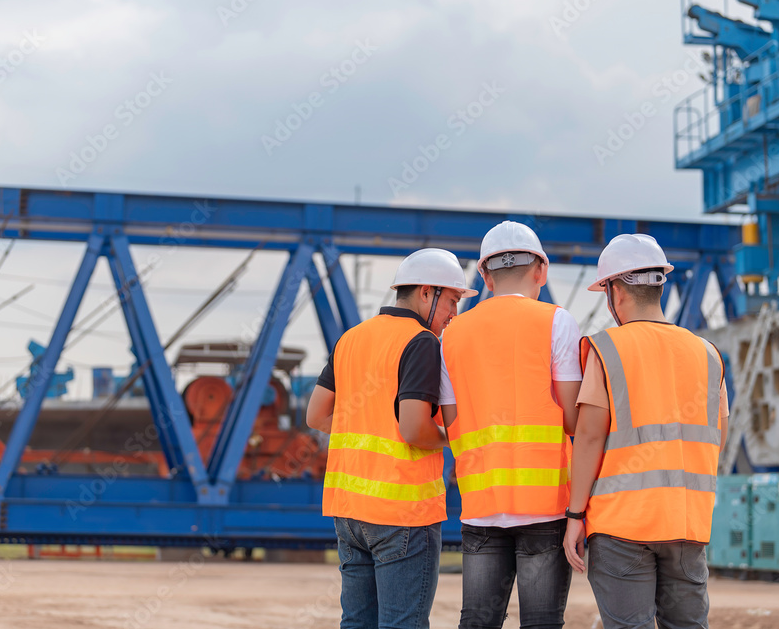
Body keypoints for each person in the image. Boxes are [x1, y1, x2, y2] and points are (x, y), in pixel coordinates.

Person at [562, 233, 729, 629]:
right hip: (687, 525)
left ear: (615, 291)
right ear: (659, 285)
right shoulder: (707, 354)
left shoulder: (607, 349)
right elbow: (716, 434)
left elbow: (588, 436)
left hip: (622, 526)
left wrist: (574, 515)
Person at [306, 247, 478, 629]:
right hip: (403, 513)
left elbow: (316, 415)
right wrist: (457, 439)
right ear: (426, 293)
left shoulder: (352, 338)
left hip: (349, 511)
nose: (454, 313)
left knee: (356, 622)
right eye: (451, 300)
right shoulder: (421, 342)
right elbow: (414, 428)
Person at [439, 221, 582, 629]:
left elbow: (452, 423)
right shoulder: (557, 321)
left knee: (478, 622)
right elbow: (573, 416)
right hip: (546, 506)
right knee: (541, 623)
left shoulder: (452, 334)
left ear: (483, 276)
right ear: (542, 271)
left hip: (481, 506)